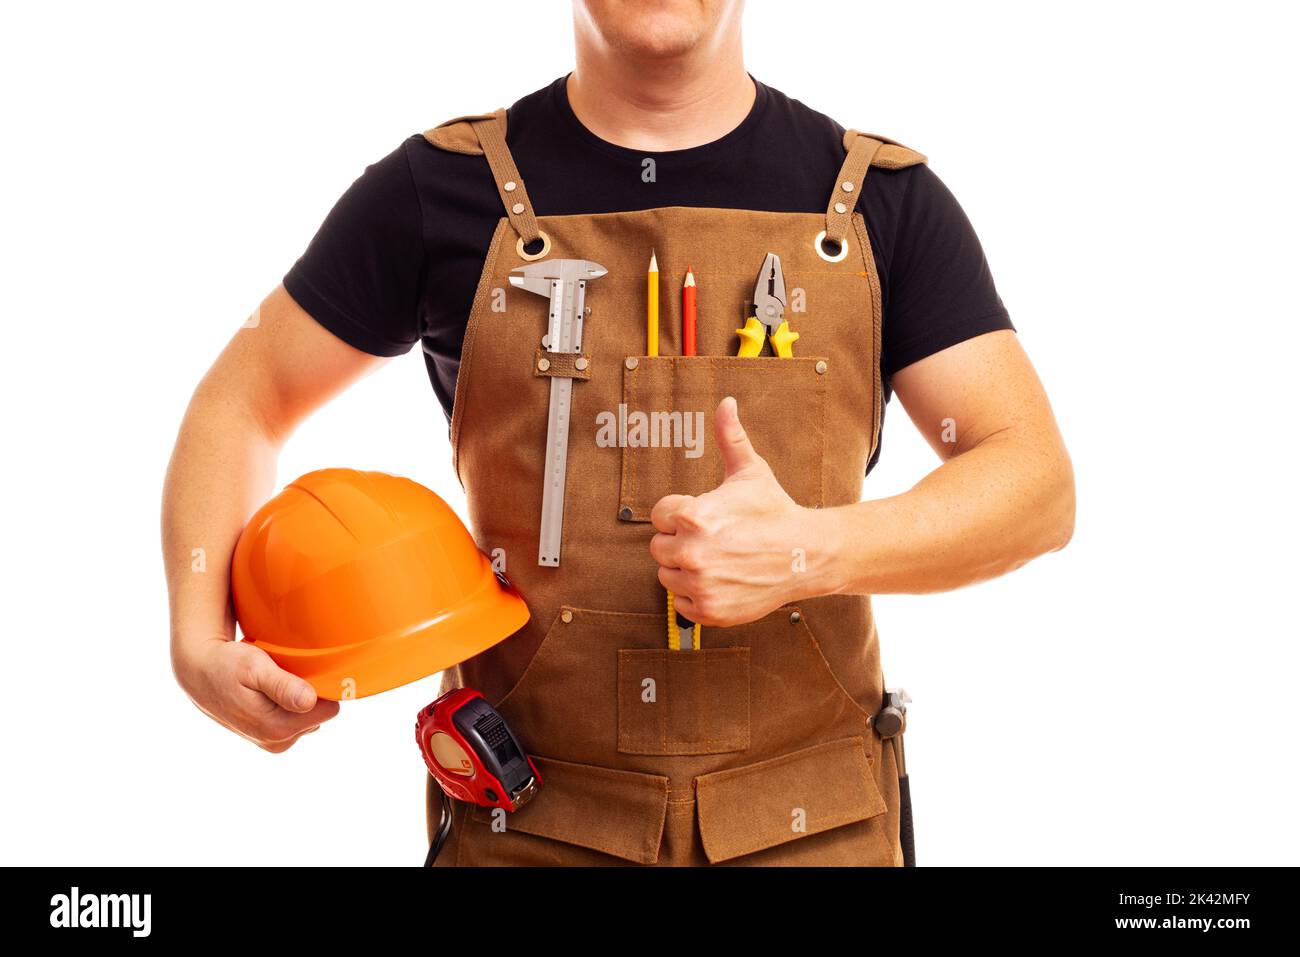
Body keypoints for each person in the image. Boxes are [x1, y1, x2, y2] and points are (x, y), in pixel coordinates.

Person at [163, 0, 1074, 866]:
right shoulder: (440, 192)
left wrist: (815, 550)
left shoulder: (879, 204)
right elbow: (242, 400)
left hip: (819, 828)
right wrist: (200, 641)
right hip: (522, 814)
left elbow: (1034, 484)